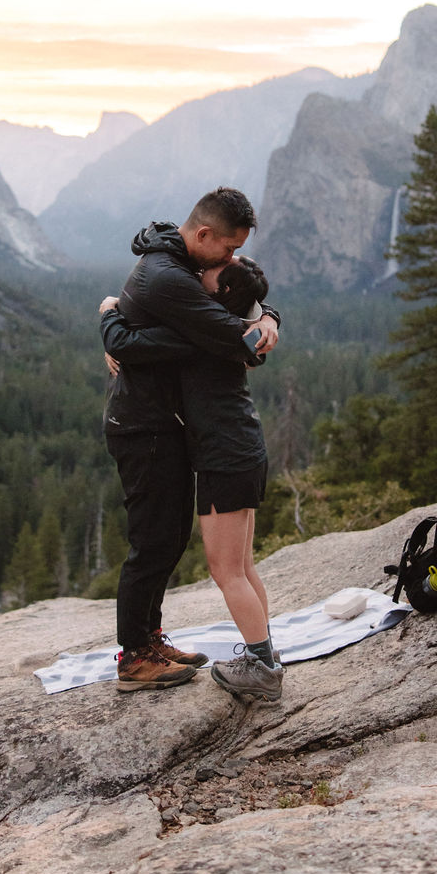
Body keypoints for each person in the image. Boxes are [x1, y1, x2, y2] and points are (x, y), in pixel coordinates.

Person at [99, 187, 279, 692]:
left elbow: (236, 311)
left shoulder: (186, 268)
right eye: (227, 250)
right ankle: (136, 654)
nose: (233, 257)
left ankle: (154, 639)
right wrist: (116, 330)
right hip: (145, 428)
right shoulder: (168, 278)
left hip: (178, 432)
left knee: (169, 540)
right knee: (155, 543)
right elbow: (235, 338)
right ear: (202, 235)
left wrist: (265, 316)